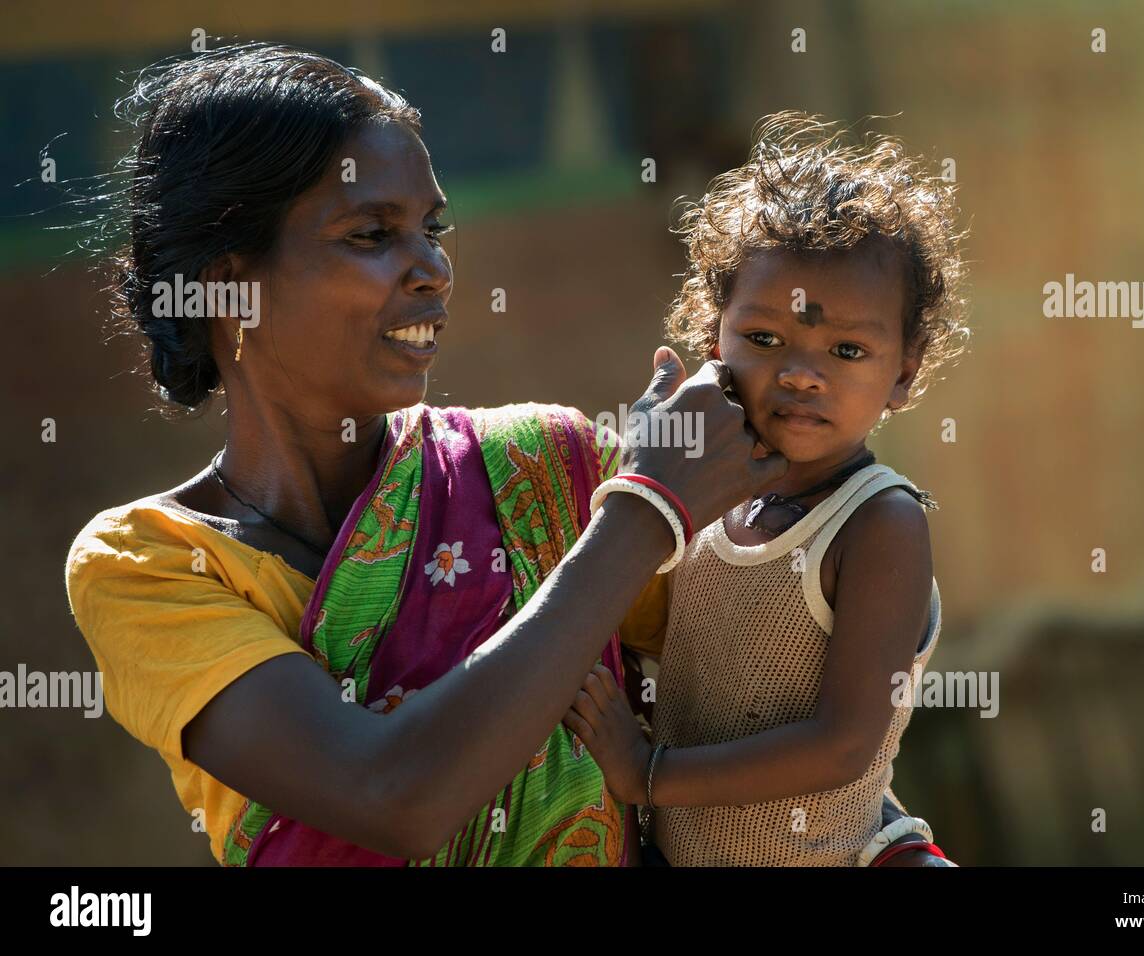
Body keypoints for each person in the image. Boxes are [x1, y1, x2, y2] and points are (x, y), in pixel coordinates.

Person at [64, 44, 939, 866]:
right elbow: (392, 795)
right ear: (228, 286)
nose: (434, 269)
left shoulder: (544, 468)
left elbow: (783, 664)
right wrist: (643, 513)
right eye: (372, 235)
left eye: (432, 229)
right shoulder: (153, 565)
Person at [566, 112, 968, 866]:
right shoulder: (704, 502)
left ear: (905, 373)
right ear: (712, 337)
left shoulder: (877, 523)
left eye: (847, 349)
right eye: (764, 339)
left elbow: (841, 746)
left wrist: (645, 772)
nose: (801, 373)